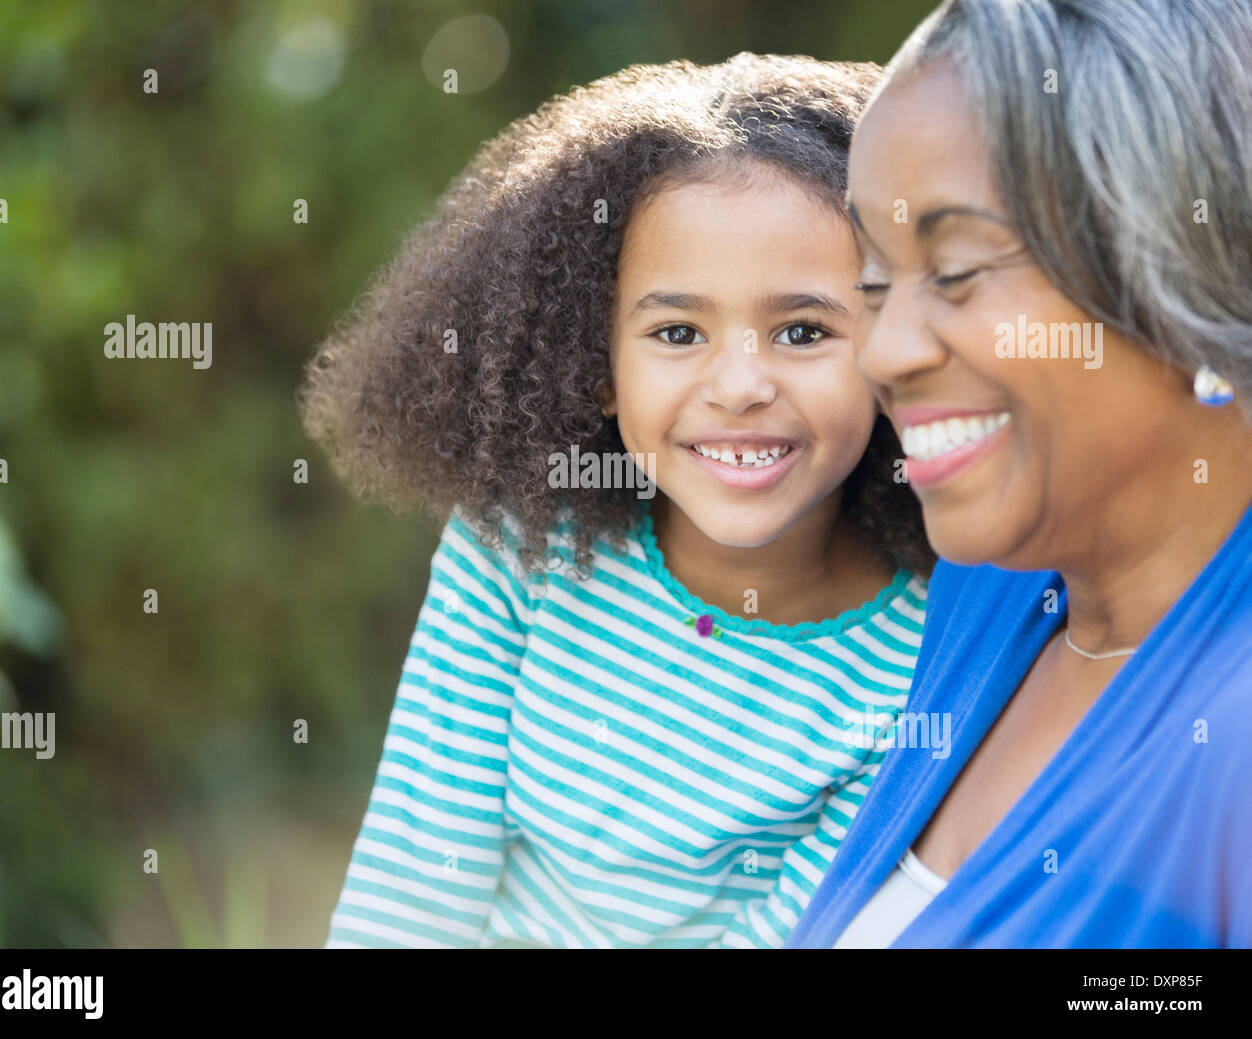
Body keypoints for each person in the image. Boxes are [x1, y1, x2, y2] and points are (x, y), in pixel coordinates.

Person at [299, 53, 933, 947]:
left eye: (802, 330)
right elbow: (411, 890)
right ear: (596, 367)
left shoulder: (918, 662)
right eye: (677, 331)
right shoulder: (518, 546)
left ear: (891, 347)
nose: (741, 385)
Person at [789, 0, 1252, 948]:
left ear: (1194, 268)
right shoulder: (993, 589)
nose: (885, 351)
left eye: (955, 271)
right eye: (875, 282)